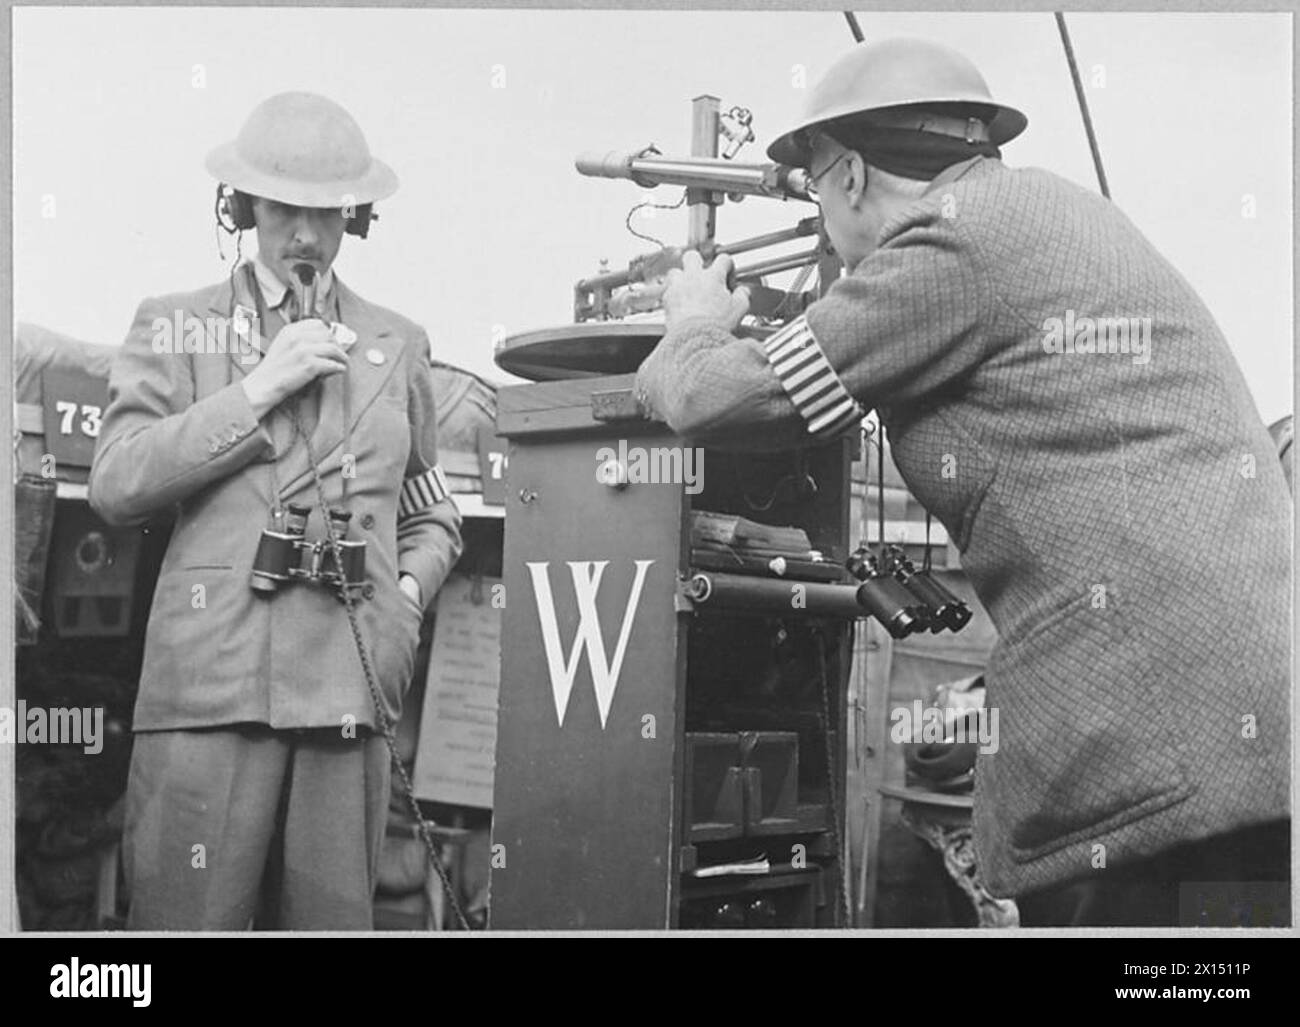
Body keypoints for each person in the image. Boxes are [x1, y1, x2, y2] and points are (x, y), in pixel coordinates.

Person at [634, 38, 1290, 926]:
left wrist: (694, 322)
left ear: (853, 177)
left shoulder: (953, 249)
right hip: (1247, 744)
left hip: (1153, 766)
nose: (823, 222)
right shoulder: (1046, 212)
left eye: (817, 191)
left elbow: (713, 398)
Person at [89, 92, 463, 929]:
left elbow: (432, 513)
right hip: (211, 697)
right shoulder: (178, 326)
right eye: (285, 208)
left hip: (347, 698)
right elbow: (117, 480)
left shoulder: (396, 343)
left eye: (326, 212)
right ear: (244, 205)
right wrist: (258, 390)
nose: (305, 233)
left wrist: (403, 602)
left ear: (354, 215)